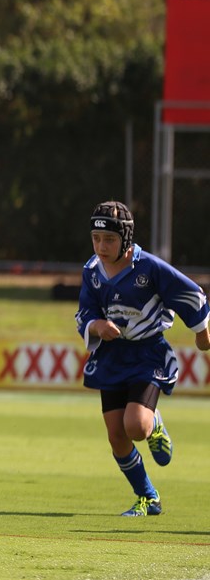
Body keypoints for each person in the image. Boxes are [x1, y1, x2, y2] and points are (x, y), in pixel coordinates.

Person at [76, 200, 209, 517]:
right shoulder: (92, 271)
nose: (101, 246)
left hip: (148, 354)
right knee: (116, 436)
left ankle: (155, 423)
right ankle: (148, 497)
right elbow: (85, 312)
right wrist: (96, 326)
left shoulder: (149, 268)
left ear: (125, 238)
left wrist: (202, 332)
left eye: (109, 239)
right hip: (111, 356)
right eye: (96, 239)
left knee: (135, 426)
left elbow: (190, 294)